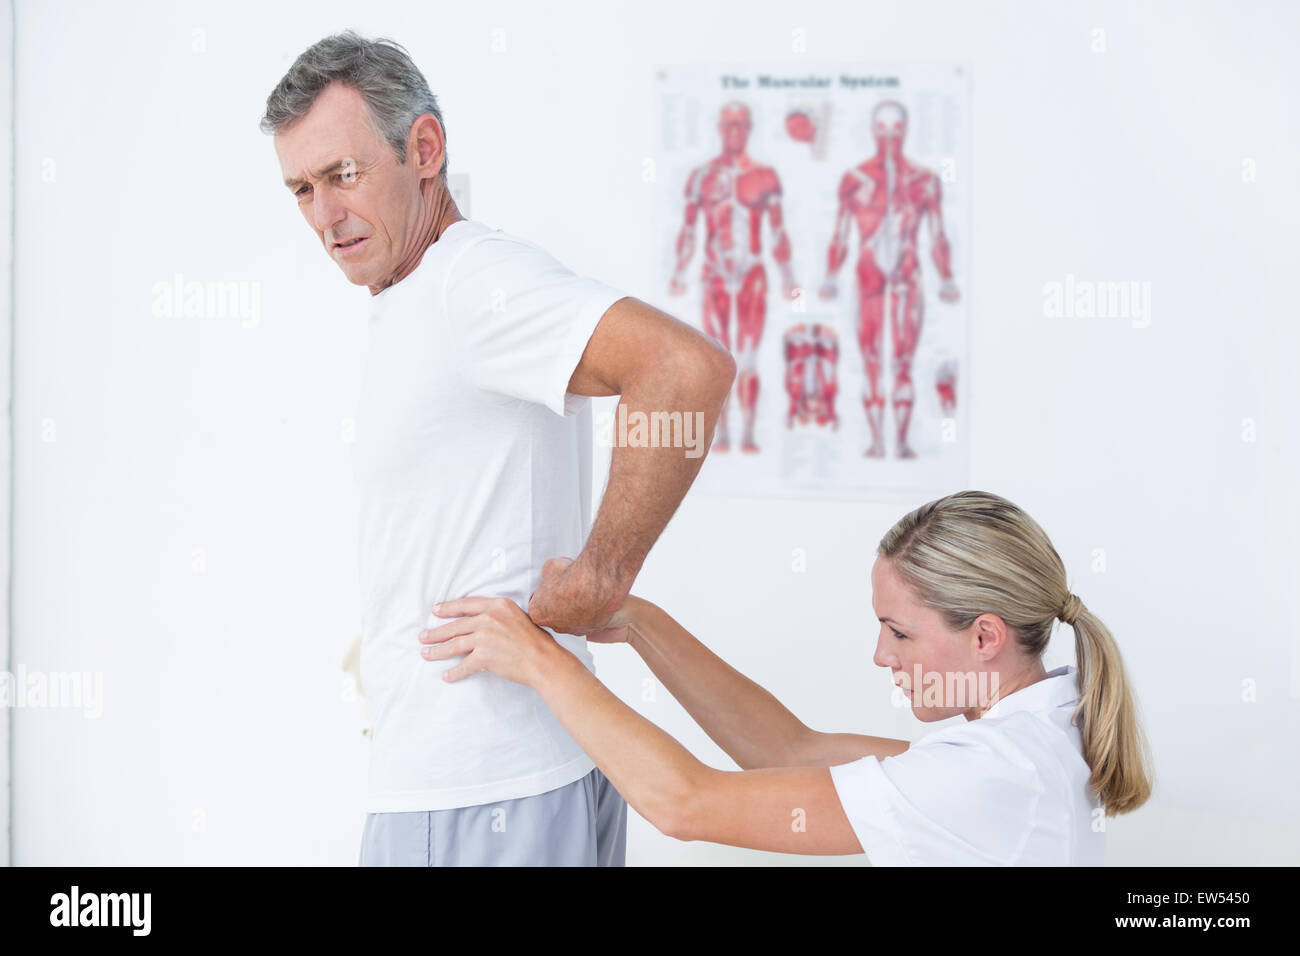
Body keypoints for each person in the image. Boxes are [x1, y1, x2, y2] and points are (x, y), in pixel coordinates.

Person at [260, 31, 735, 866]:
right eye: (302, 189)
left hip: (484, 795)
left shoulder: (472, 283)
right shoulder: (419, 296)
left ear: (425, 149)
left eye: (343, 175)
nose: (325, 217)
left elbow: (683, 370)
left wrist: (601, 577)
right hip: (485, 781)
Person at [421, 490, 1155, 865]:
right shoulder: (1028, 738)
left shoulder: (990, 776)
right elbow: (790, 751)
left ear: (986, 636)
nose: (881, 657)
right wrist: (638, 621)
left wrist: (538, 662)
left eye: (899, 632)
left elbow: (686, 803)